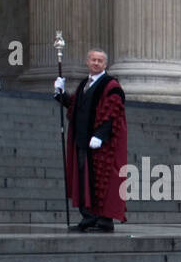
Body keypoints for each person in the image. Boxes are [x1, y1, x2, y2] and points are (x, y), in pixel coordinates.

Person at [54, 48, 128, 233]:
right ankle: (89, 217)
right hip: (82, 141)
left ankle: (103, 220)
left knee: (100, 180)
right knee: (83, 179)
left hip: (100, 144)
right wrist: (60, 93)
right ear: (87, 62)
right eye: (93, 60)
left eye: (100, 61)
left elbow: (113, 111)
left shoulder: (111, 86)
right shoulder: (84, 84)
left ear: (105, 64)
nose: (96, 63)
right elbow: (76, 107)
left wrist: (100, 135)